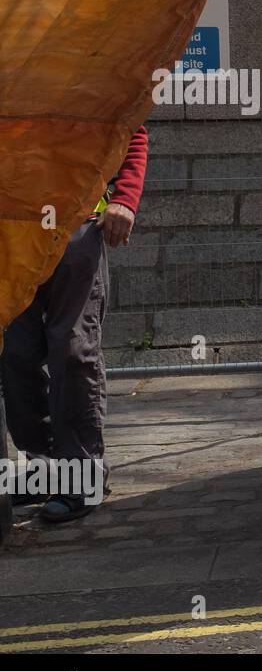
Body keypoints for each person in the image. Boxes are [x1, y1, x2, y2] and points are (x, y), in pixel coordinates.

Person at [0, 126, 148, 522]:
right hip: (12, 233)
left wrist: (125, 198)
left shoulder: (77, 67)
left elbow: (128, 126)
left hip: (75, 227)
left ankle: (83, 475)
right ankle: (44, 468)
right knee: (16, 355)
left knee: (72, 351)